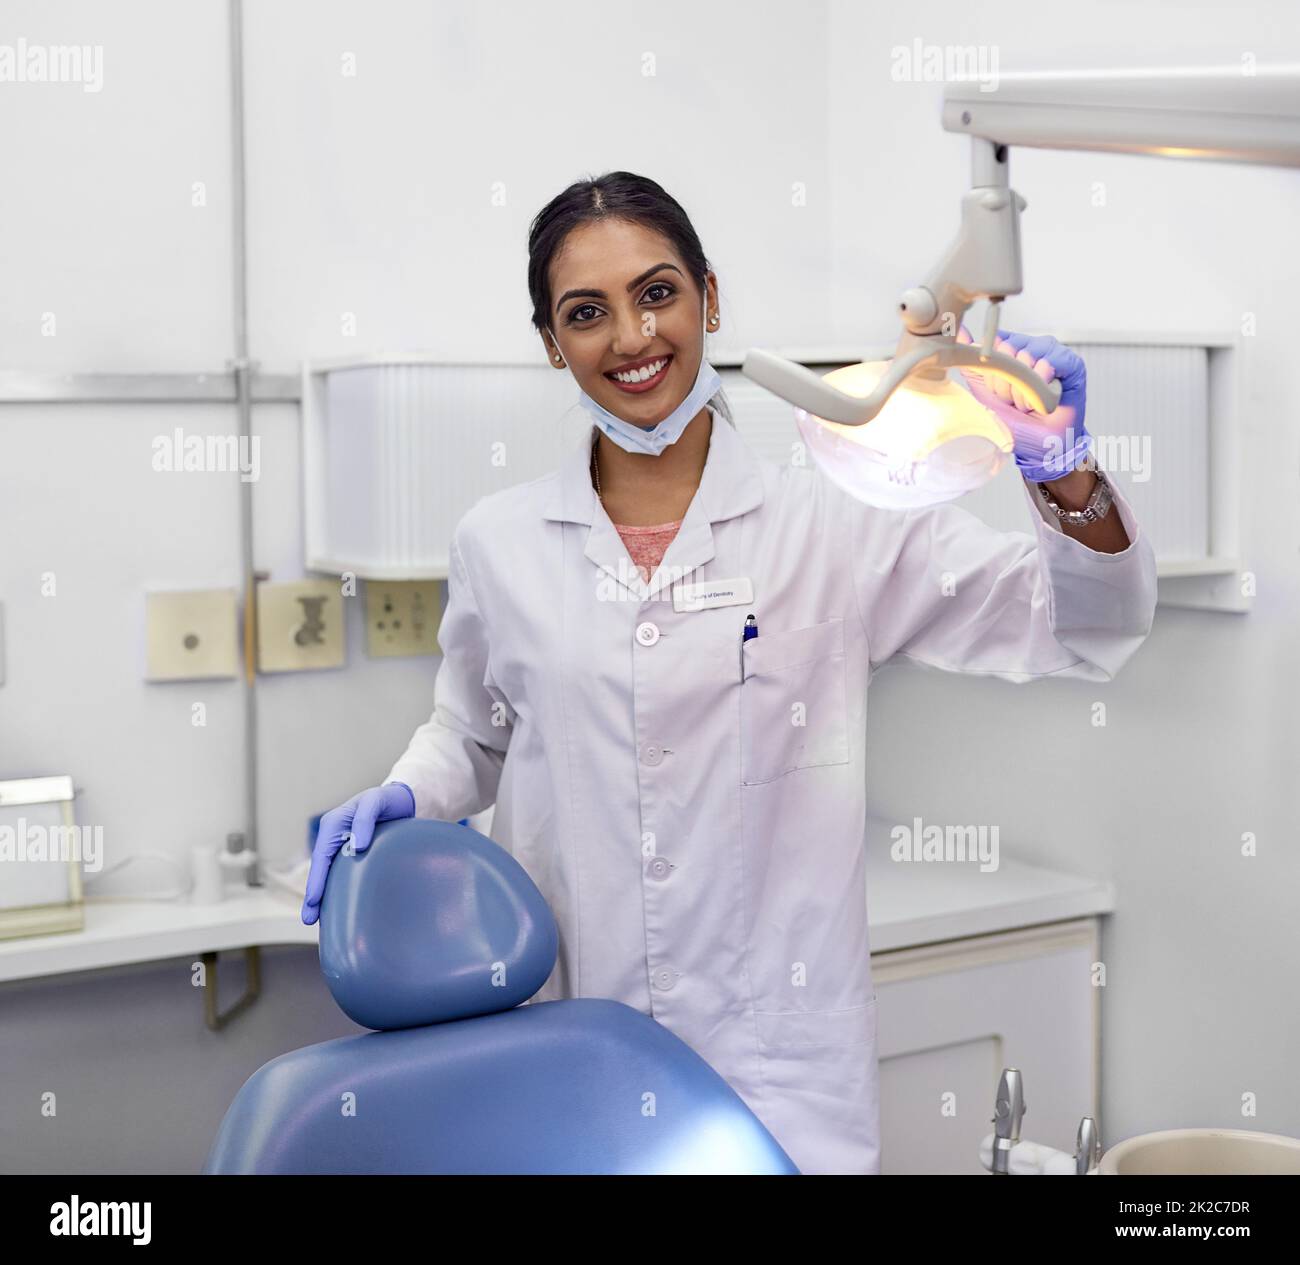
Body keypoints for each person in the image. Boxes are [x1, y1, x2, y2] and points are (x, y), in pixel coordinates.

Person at [302, 171, 1157, 1175]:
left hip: (779, 1064)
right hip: (571, 1048)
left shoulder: (832, 521)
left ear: (708, 298)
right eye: (587, 313)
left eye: (656, 293)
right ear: (550, 343)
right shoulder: (501, 539)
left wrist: (1062, 472)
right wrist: (411, 785)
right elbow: (475, 729)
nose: (631, 337)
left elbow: (1076, 624)